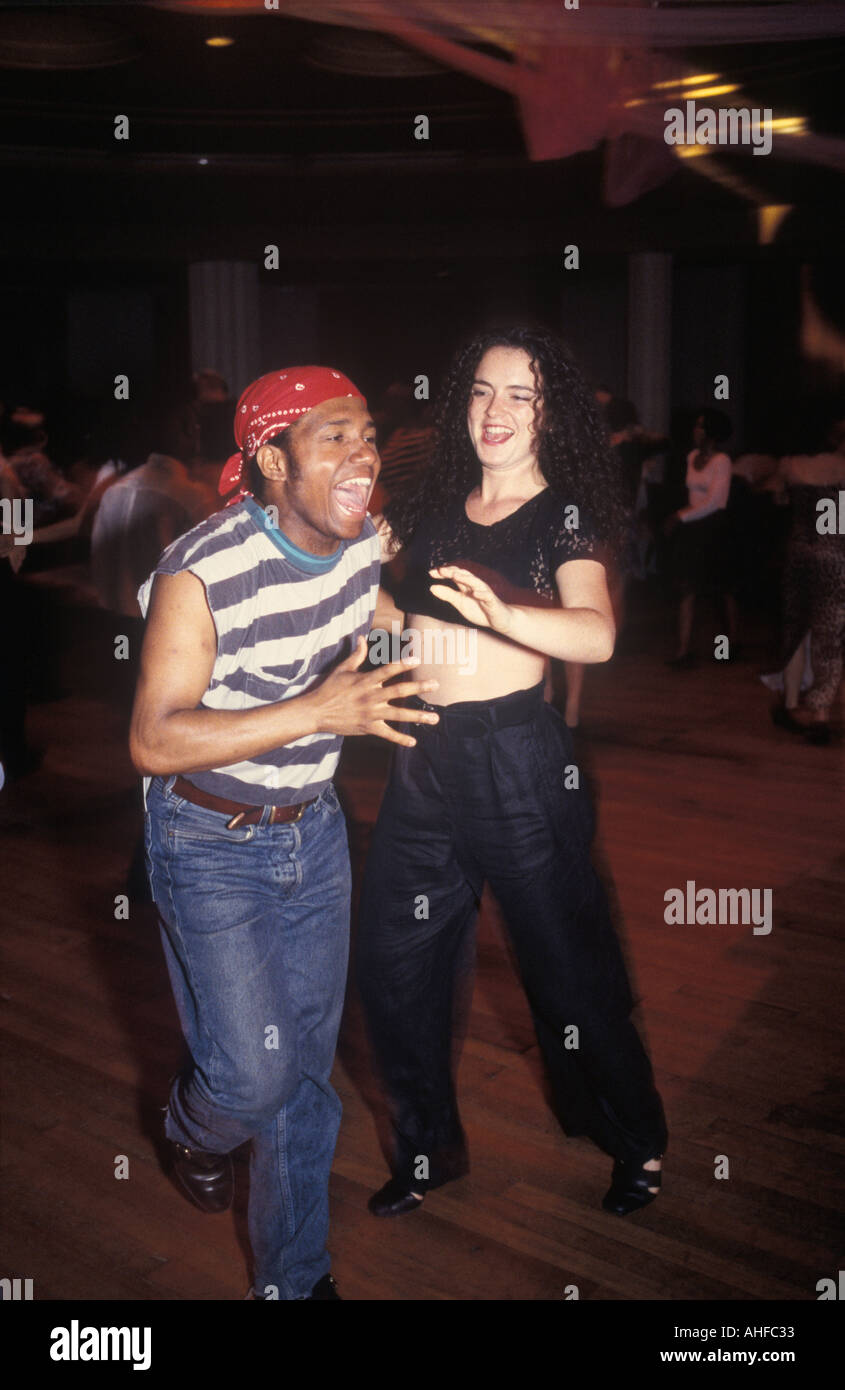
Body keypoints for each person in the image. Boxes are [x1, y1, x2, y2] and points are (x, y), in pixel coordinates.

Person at [129, 366, 439, 1301]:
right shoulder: (200, 572)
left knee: (306, 1085)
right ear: (271, 460)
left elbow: (368, 623)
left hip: (314, 834)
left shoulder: (356, 544)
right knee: (253, 1082)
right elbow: (152, 739)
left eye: (368, 434)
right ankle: (191, 1128)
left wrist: (397, 652)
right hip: (208, 838)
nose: (363, 455)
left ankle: (293, 1283)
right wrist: (320, 708)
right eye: (334, 437)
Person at [356, 325, 668, 1224]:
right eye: (482, 392)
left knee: (567, 973)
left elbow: (596, 635)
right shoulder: (431, 504)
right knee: (394, 962)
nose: (495, 412)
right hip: (422, 761)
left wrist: (507, 610)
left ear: (549, 413)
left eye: (520, 396)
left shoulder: (560, 512)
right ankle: (424, 1150)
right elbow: (390, 633)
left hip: (516, 763)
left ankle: (634, 1137)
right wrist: (372, 578)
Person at [664, 408, 736, 667]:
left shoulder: (722, 461)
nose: (696, 431)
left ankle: (730, 643)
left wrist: (680, 516)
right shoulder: (692, 456)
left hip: (714, 528)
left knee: (720, 590)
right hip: (693, 527)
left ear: (712, 434)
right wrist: (683, 517)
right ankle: (683, 651)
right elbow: (692, 495)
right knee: (687, 588)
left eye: (701, 427)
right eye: (695, 426)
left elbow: (715, 501)